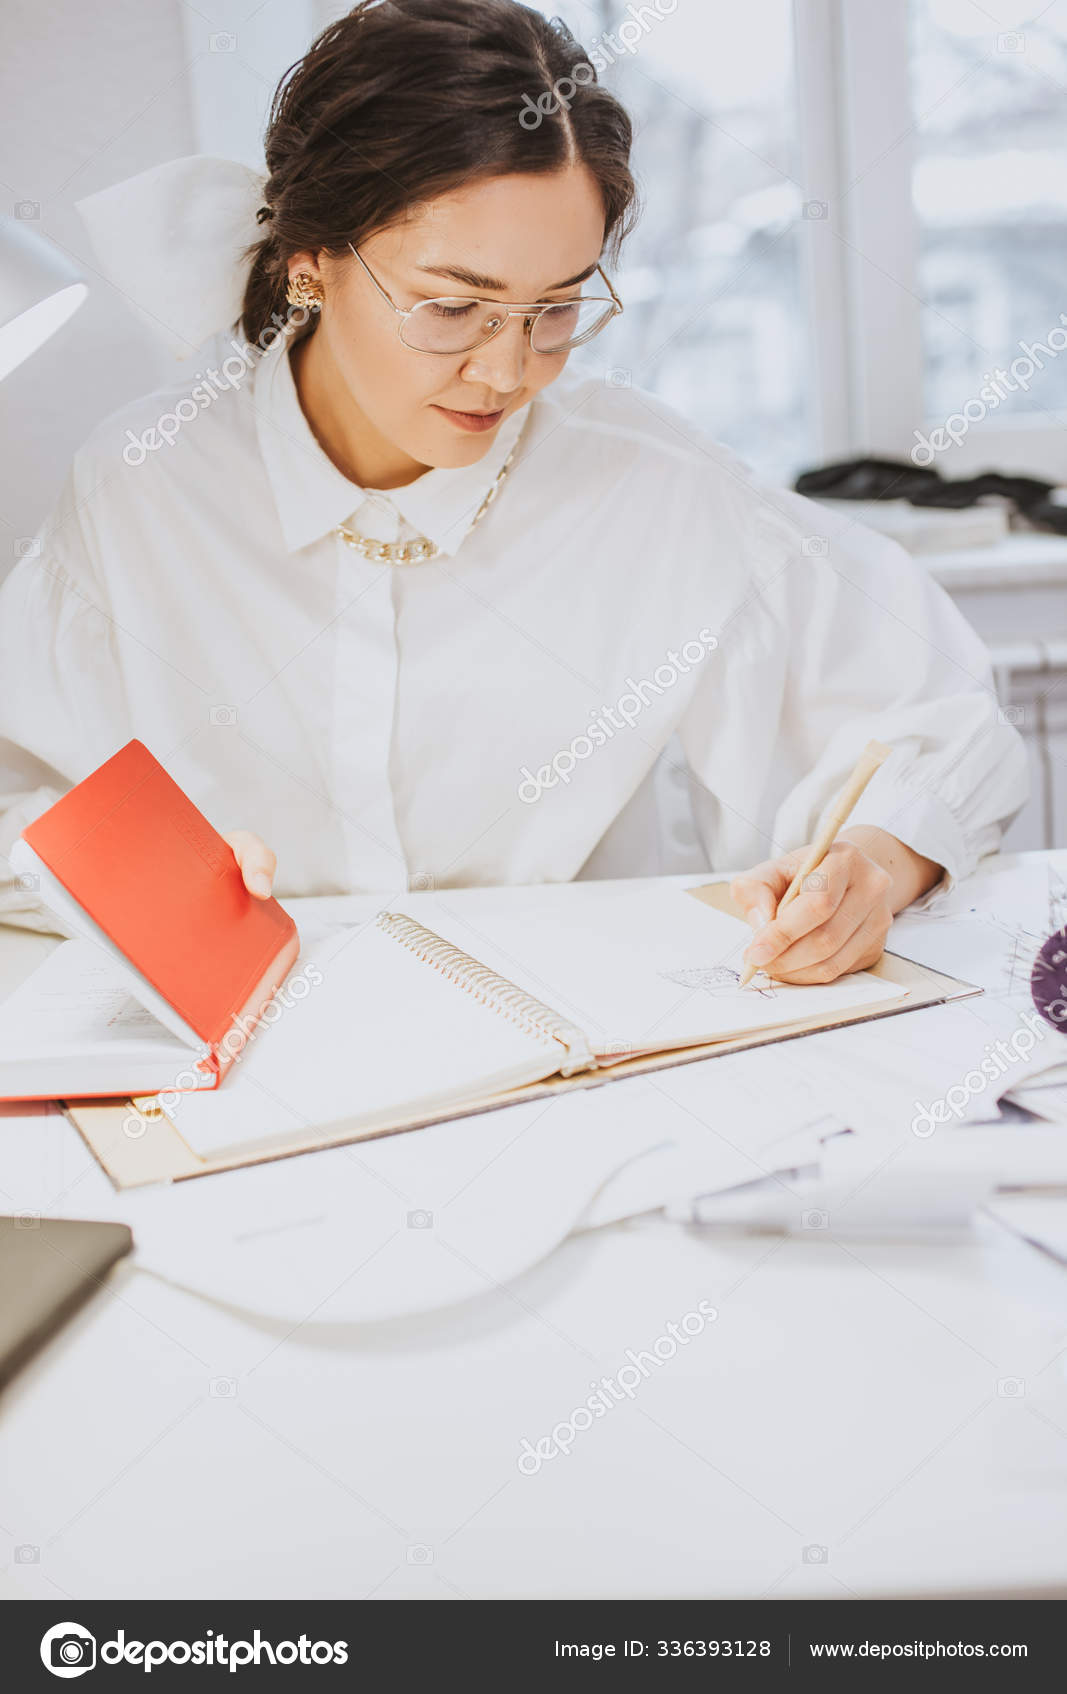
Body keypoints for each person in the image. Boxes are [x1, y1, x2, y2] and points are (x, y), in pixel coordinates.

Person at [0, 0, 1027, 985]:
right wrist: (144, 874)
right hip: (258, 1061)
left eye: (555, 309)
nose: (505, 371)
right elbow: (21, 796)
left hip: (586, 1054)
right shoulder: (146, 484)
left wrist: (872, 863)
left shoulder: (649, 480)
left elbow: (933, 712)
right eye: (453, 308)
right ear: (310, 268)